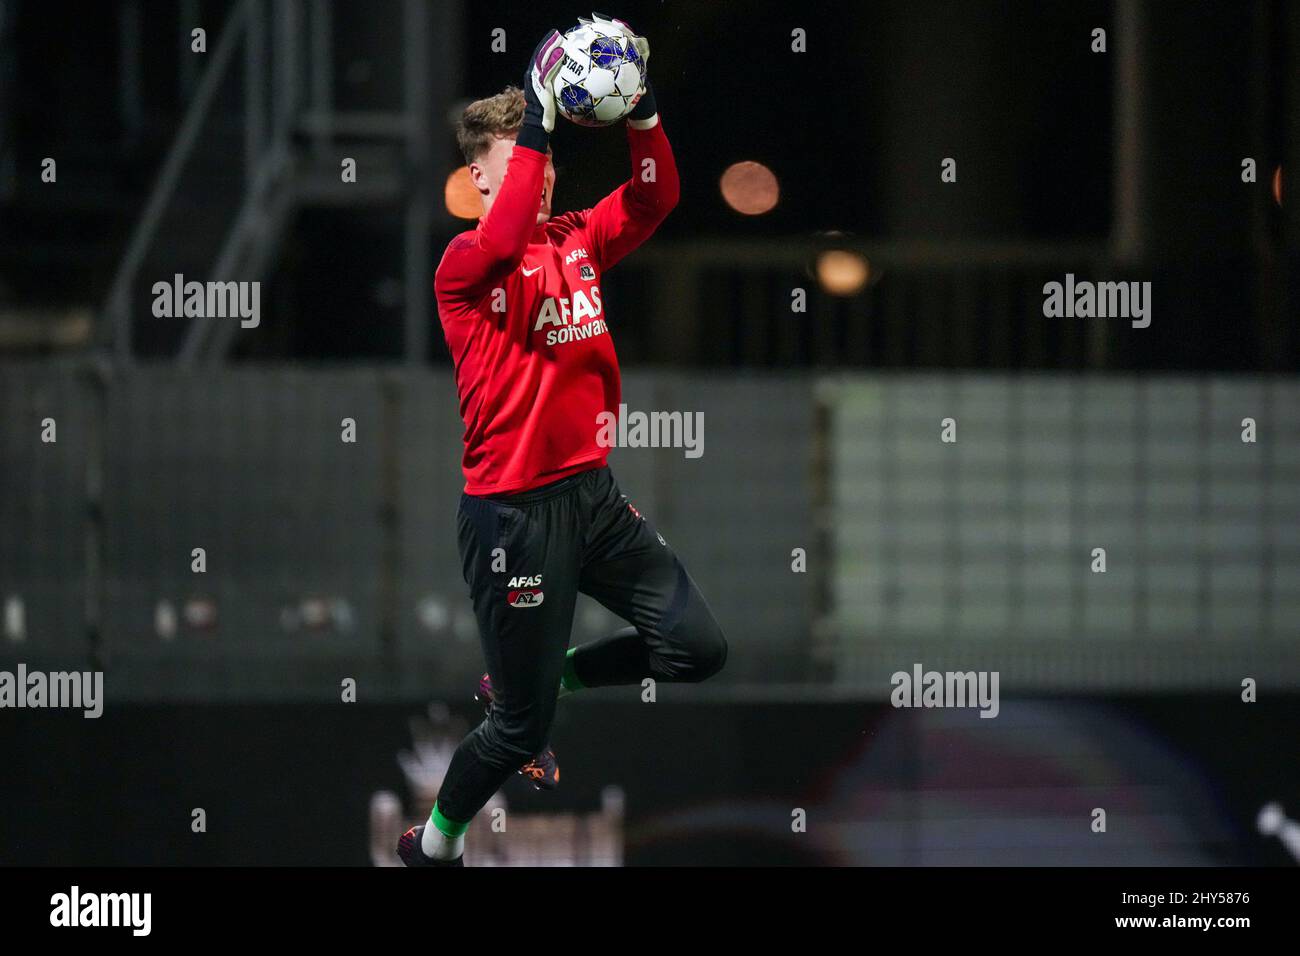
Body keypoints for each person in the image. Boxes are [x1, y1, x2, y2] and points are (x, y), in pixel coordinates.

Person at [398, 15, 726, 868]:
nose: (537, 181)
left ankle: (563, 670)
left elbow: (657, 198)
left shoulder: (574, 240)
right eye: (518, 162)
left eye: (541, 162)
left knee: (695, 648)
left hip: (593, 496)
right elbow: (504, 234)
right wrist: (543, 108)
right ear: (478, 178)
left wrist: (643, 107)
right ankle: (433, 845)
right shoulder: (466, 267)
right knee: (519, 729)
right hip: (513, 518)